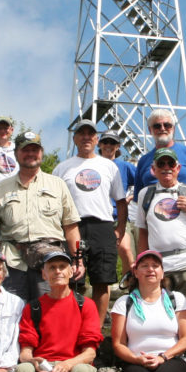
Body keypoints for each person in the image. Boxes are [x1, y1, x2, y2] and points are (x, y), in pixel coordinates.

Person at [0, 131, 85, 302]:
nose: (31, 154)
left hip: (50, 264)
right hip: (13, 265)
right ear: (16, 153)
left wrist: (78, 260)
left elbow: (71, 226)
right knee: (13, 317)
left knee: (50, 316)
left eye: (35, 149)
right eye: (25, 150)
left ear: (41, 152)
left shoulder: (58, 185)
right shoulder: (0, 189)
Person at [53, 120, 127, 324]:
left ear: (96, 139)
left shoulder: (109, 167)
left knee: (102, 281)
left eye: (90, 134)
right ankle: (71, 326)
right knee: (70, 280)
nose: (86, 137)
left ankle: (95, 329)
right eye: (81, 133)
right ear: (75, 138)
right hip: (71, 226)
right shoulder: (62, 168)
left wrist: (120, 228)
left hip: (102, 226)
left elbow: (121, 201)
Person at [135, 148, 186, 298]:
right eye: (161, 164)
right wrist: (142, 264)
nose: (166, 167)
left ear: (178, 168)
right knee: (164, 318)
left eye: (170, 163)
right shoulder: (145, 195)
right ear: (154, 169)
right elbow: (143, 232)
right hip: (159, 269)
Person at [132, 109, 186, 204]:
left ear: (173, 128)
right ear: (150, 130)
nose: (162, 128)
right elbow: (138, 200)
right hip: (153, 216)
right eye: (157, 126)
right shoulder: (143, 161)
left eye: (167, 125)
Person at [98, 131, 136, 274]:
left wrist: (131, 197)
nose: (108, 145)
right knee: (100, 257)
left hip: (118, 216)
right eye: (105, 142)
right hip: (97, 217)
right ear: (99, 144)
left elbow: (143, 181)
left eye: (112, 143)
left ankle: (129, 284)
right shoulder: (92, 164)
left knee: (125, 250)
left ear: (118, 146)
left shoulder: (125, 167)